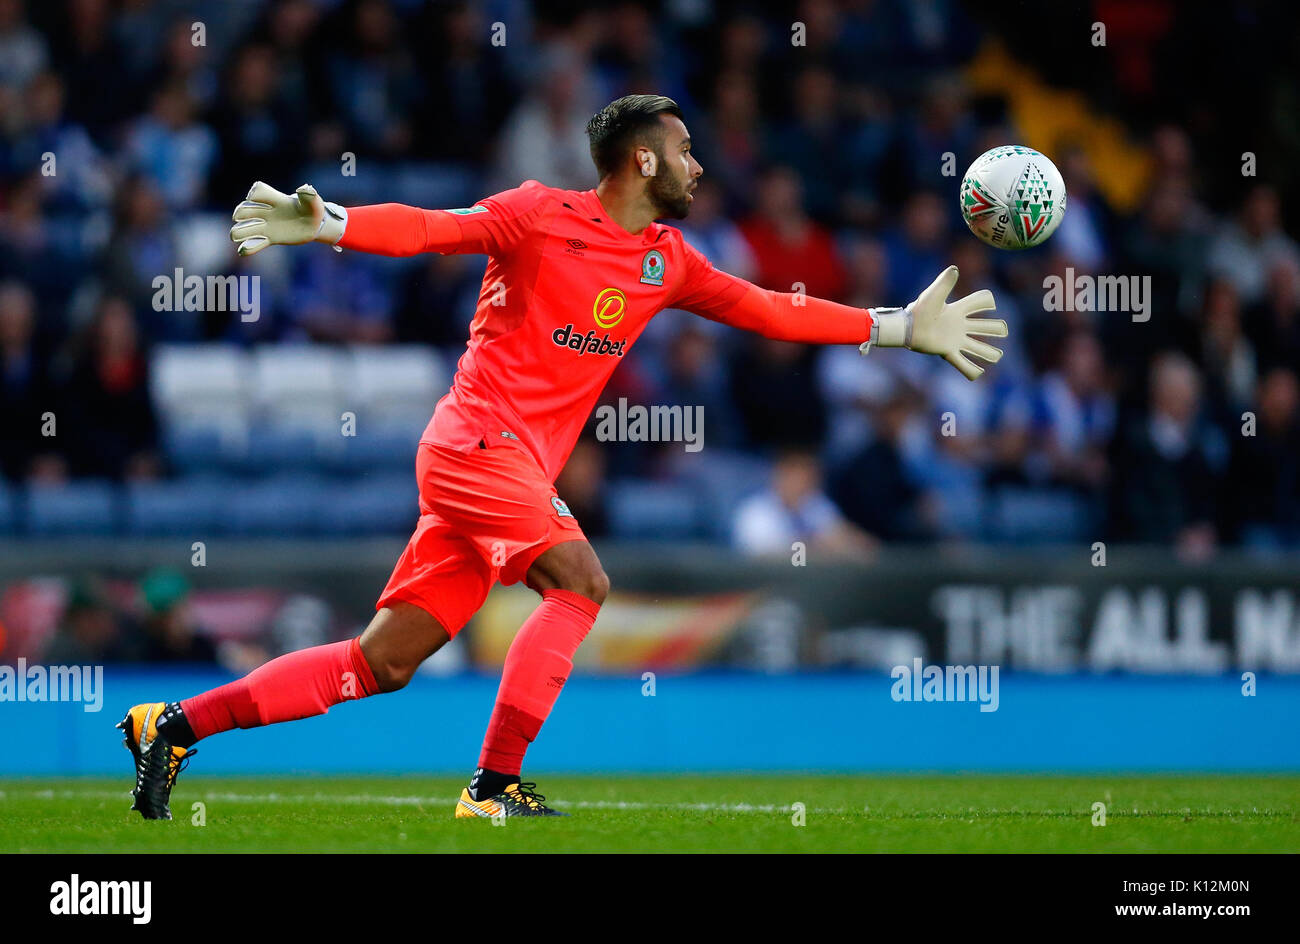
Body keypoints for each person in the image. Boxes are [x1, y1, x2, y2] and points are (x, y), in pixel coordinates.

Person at [116, 94, 1006, 820]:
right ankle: (492, 789)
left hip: (501, 474)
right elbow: (432, 228)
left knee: (378, 664)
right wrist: (335, 222)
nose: (700, 167)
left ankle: (174, 725)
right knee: (581, 582)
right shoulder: (539, 215)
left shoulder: (667, 260)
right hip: (473, 445)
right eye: (687, 149)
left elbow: (773, 311)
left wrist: (896, 328)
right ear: (644, 161)